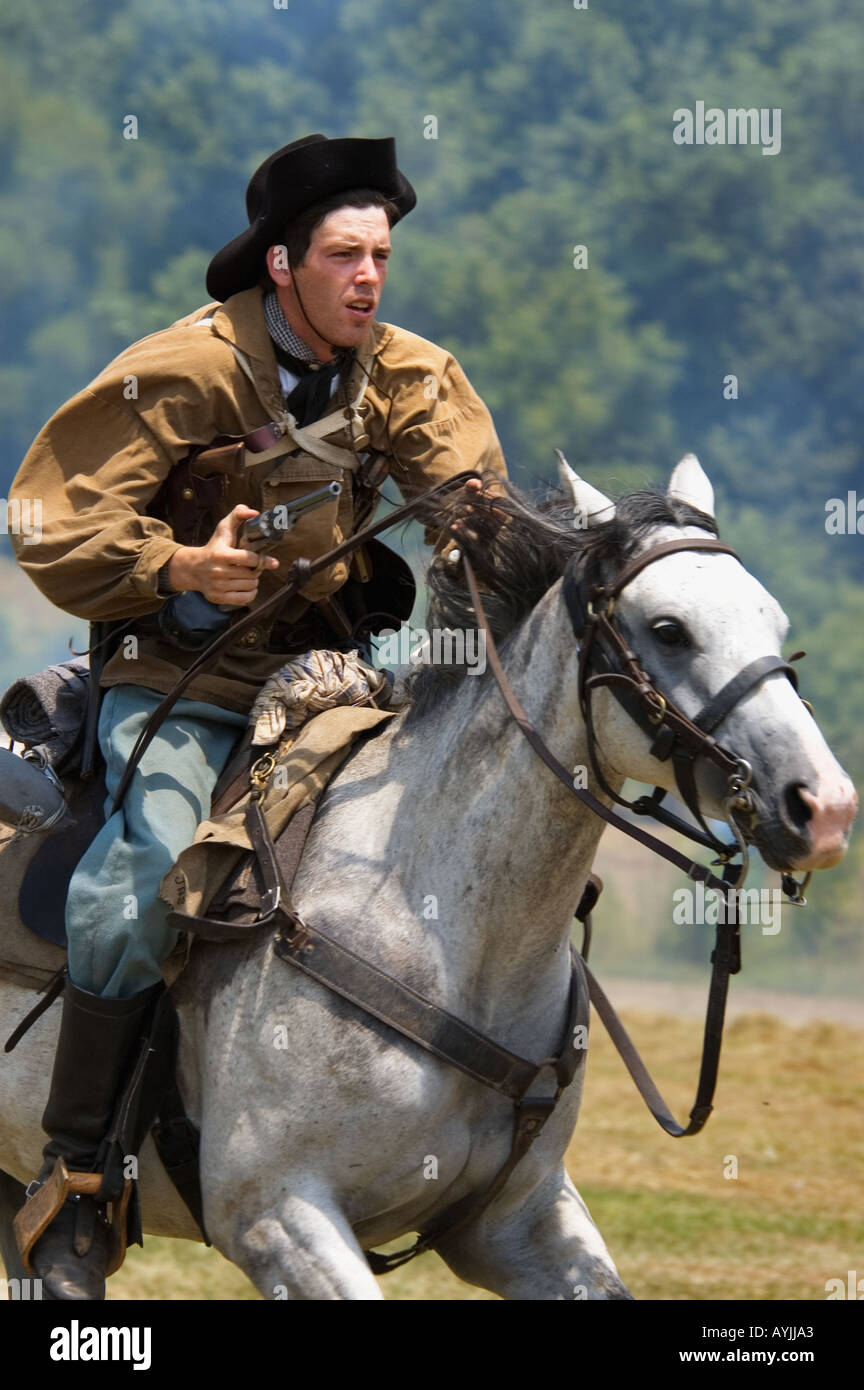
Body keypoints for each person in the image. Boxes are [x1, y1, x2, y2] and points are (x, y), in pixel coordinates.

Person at [7, 133, 508, 1298]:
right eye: (345, 255)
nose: (370, 277)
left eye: (382, 254)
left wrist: (520, 564)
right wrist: (181, 564)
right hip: (176, 681)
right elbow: (44, 521)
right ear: (283, 265)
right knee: (139, 878)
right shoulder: (180, 371)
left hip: (324, 686)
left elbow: (473, 514)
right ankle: (78, 1178)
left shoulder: (408, 376)